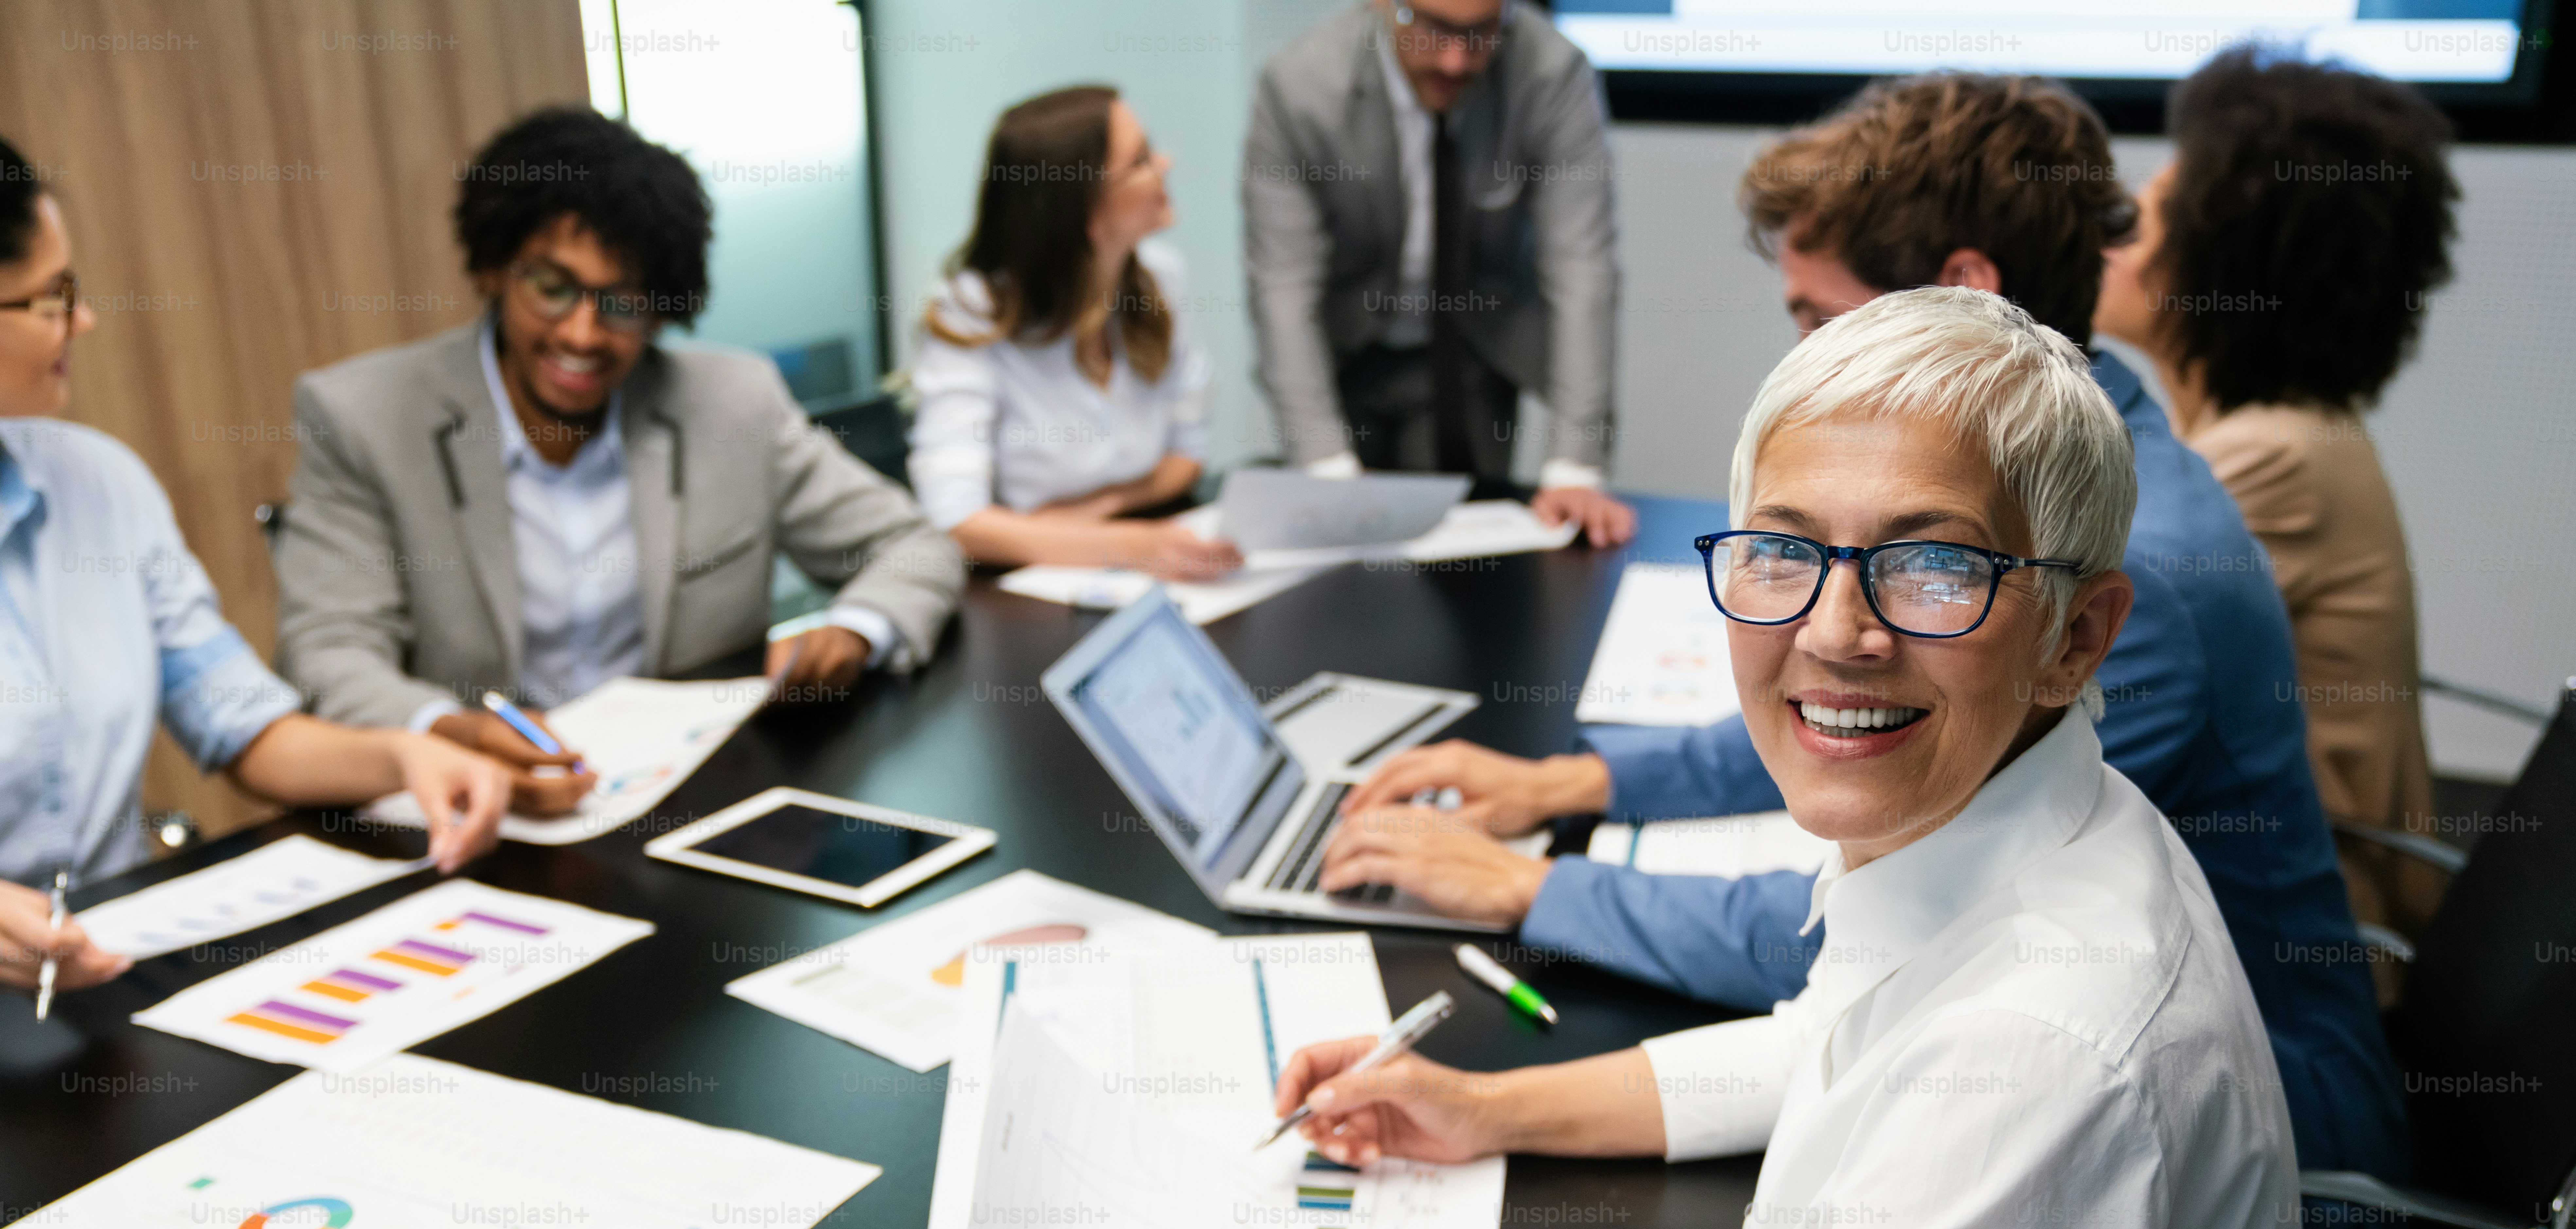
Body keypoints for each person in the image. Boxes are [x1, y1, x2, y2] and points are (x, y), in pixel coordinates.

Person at [997, 290, 2351, 1229]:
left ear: (2079, 636)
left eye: (1931, 566)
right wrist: (1488, 1109)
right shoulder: (2033, 821)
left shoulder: (2048, 1048)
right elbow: (1835, 1042)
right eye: (1781, 552)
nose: (1834, 634)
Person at [1325, 72, 2409, 1229]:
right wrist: (1577, 777)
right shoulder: (2061, 482)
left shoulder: (2128, 576)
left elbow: (1841, 884)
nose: (1797, 363)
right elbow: (1853, 709)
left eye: (1811, 317)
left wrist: (1532, 885)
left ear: (1954, 289)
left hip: (2272, 1221)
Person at [273, 107, 965, 817]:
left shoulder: (732, 404)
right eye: (552, 288)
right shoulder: (366, 417)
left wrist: (858, 629)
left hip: (695, 805)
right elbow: (331, 652)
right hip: (475, 819)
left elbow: (914, 547)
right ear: (493, 269)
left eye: (622, 303)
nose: (581, 333)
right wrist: (453, 731)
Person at [0, 138, 506, 995]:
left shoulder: (100, 483)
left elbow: (244, 725)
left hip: (106, 977)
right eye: (53, 298)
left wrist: (405, 756)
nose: (83, 321)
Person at [2096, 46, 2457, 989]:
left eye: (2143, 219)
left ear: (2229, 256)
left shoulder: (2271, 459)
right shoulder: (2292, 432)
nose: (2111, 238)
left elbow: (2086, 690)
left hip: (2286, 948)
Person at [1244, 0, 1636, 547]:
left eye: (1481, 34)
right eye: (1432, 29)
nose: (1456, 62)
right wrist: (1327, 474)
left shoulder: (1552, 72)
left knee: (1469, 572)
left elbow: (1582, 270)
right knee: (1341, 560)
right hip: (1344, 355)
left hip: (1473, 356)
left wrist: (1575, 470)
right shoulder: (1301, 87)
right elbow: (1283, 287)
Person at [909, 87, 1238, 582]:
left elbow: (1187, 457)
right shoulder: (971, 313)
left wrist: (1093, 511)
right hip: (1020, 589)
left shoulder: (1161, 275)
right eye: (1141, 161)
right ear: (1082, 207)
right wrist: (1129, 545)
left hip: (1139, 554)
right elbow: (956, 521)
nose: (1165, 164)